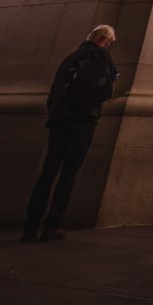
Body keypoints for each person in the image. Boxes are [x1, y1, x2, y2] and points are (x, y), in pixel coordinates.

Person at [22, 22, 118, 242]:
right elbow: (104, 90)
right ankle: (52, 224)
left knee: (47, 173)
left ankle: (30, 226)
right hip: (82, 122)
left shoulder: (71, 57)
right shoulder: (102, 57)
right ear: (106, 41)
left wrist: (55, 115)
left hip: (59, 121)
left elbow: (55, 90)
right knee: (68, 175)